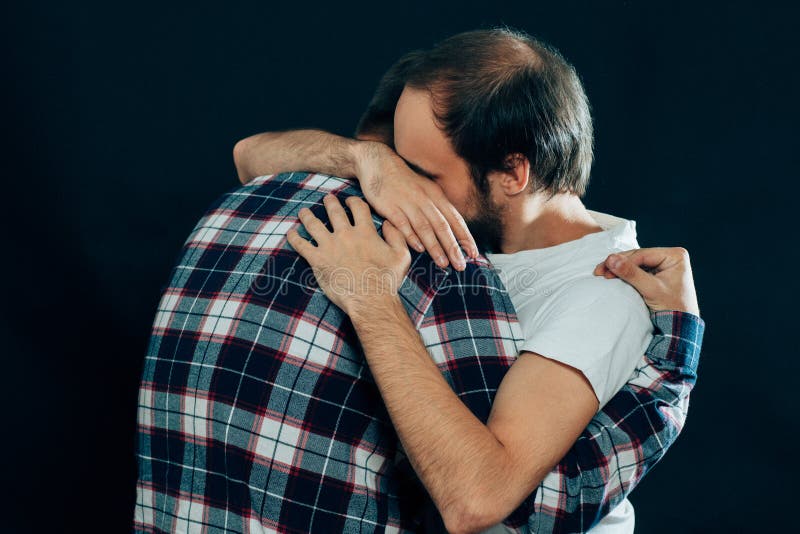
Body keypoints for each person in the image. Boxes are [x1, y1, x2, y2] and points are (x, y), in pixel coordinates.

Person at [134, 29, 705, 533]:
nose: (397, 189)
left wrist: (368, 297)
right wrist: (365, 162)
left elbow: (476, 500)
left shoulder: (599, 298)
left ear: (512, 172)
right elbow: (249, 155)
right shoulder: (469, 231)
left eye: (421, 174)